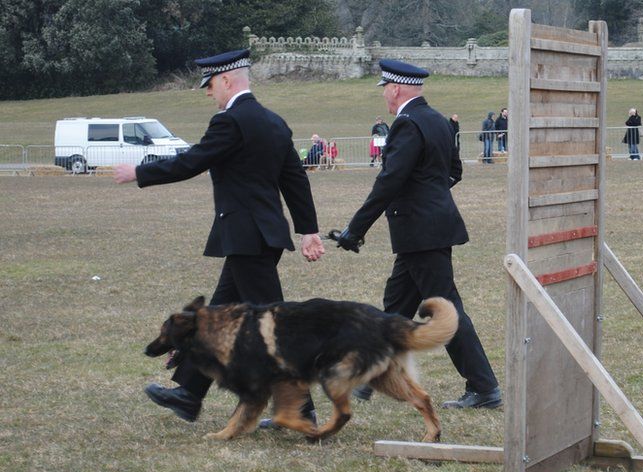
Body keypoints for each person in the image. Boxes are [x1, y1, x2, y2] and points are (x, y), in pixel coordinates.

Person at [112, 49, 326, 424]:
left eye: (210, 85)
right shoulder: (274, 122)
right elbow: (295, 179)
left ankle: (301, 408)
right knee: (215, 319)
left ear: (227, 80)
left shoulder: (230, 122)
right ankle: (188, 393)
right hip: (261, 237)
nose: (209, 93)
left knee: (271, 325)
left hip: (245, 237)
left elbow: (192, 161)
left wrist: (141, 172)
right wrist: (307, 229)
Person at [334, 59, 502, 410]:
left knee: (446, 309)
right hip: (427, 229)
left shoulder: (407, 124)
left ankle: (484, 387)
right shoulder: (438, 120)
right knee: (395, 304)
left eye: (385, 90)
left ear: (395, 89)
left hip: (420, 231)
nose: (385, 97)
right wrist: (432, 195)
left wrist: (355, 229)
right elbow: (453, 171)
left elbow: (390, 181)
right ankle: (368, 376)